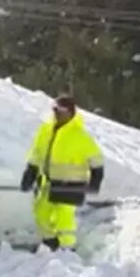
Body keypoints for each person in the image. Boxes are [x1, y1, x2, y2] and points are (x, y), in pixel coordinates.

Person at [19, 94, 104, 250]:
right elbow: (37, 154)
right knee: (41, 212)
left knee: (63, 219)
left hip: (71, 186)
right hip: (49, 183)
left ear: (71, 113)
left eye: (62, 111)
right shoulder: (46, 131)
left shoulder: (80, 136)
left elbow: (96, 160)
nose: (57, 114)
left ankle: (66, 249)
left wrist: (95, 180)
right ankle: (50, 243)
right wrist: (30, 173)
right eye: (55, 110)